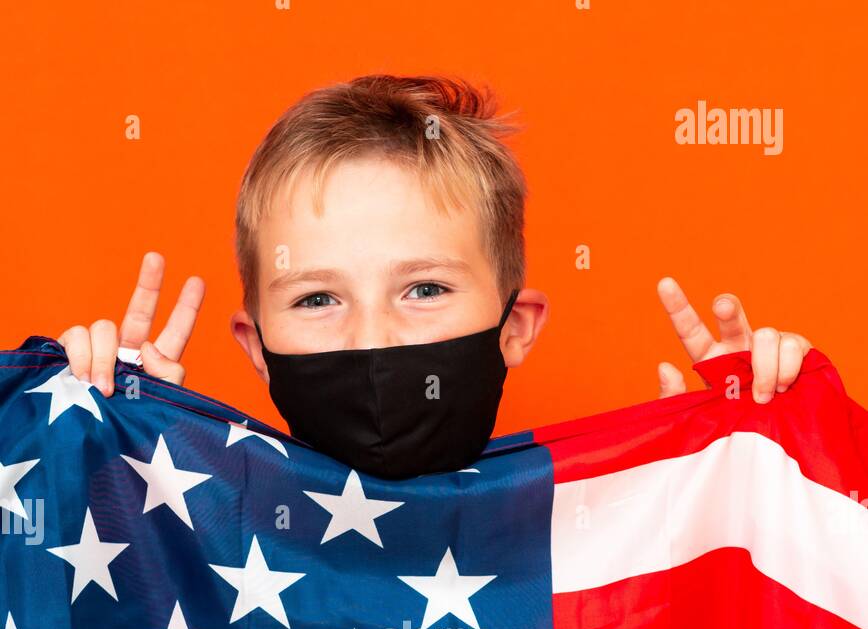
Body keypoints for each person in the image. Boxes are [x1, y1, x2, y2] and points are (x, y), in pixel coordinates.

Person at [55, 73, 813, 449]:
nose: (375, 340)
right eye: (318, 299)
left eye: (423, 288)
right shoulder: (179, 531)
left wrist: (766, 466)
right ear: (255, 345)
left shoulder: (625, 533)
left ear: (515, 327)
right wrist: (112, 458)